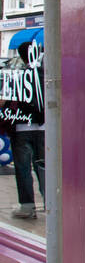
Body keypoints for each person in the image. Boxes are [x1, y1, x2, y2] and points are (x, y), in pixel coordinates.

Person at [0, 35, 45, 219]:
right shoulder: (45, 74)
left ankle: (27, 207)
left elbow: (4, 102)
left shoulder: (16, 75)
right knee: (43, 168)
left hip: (21, 129)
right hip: (43, 129)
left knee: (23, 168)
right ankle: (51, 206)